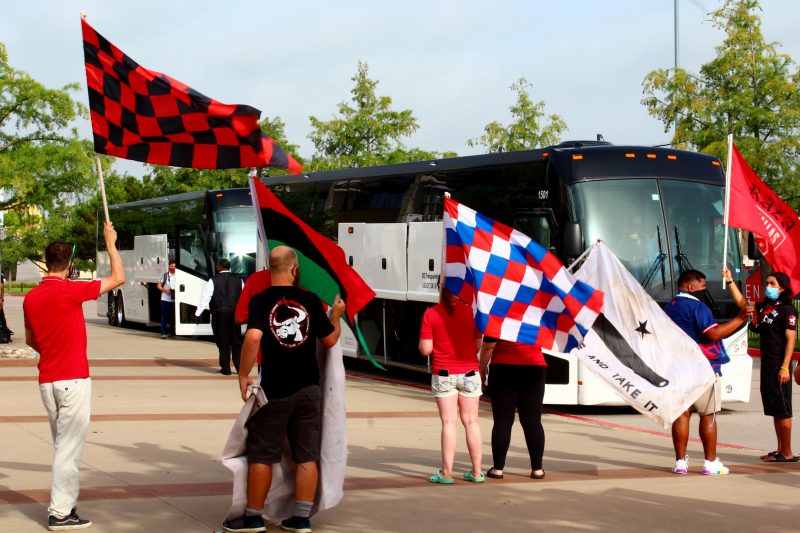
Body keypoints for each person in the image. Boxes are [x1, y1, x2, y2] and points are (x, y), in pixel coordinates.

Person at [222, 246, 344, 533]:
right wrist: (336, 315)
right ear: (294, 269)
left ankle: (253, 517)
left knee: (263, 454)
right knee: (306, 455)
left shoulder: (260, 299)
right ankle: (301, 518)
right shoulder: (311, 300)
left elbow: (252, 336)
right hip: (308, 389)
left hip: (274, 389)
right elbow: (330, 341)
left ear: (270, 268)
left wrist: (242, 374)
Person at [23, 223, 125, 530]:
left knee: (62, 445)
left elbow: (30, 340)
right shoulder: (70, 291)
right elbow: (118, 278)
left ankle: (67, 505)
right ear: (69, 265)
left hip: (47, 380)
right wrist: (111, 243)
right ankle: (60, 512)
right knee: (68, 450)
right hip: (73, 378)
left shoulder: (31, 298)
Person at [663, 268, 752, 475]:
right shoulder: (698, 307)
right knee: (708, 415)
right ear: (691, 287)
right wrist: (739, 319)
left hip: (677, 367)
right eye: (703, 286)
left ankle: (680, 463)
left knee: (682, 414)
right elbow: (713, 334)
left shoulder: (670, 307)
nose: (705, 290)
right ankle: (710, 462)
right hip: (703, 368)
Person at [418, 286, 484, 484]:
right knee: (471, 422)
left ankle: (446, 473)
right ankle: (476, 472)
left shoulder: (431, 314)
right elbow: (477, 346)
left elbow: (425, 349)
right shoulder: (471, 312)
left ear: (440, 288)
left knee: (449, 423)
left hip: (444, 373)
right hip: (470, 373)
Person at [479, 338, 547, 480]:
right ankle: (537, 469)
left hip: (503, 367)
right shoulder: (539, 315)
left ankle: (498, 469)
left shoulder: (498, 315)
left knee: (502, 420)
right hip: (534, 366)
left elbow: (488, 347)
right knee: (533, 421)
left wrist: (481, 370)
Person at [750, 271, 798, 462]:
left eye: (772, 283)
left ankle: (787, 452)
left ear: (782, 288)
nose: (767, 287)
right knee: (775, 407)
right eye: (767, 283)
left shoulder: (788, 310)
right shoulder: (765, 308)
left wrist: (785, 367)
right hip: (767, 363)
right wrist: (729, 281)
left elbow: (791, 339)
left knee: (783, 408)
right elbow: (742, 306)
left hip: (780, 364)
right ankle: (780, 449)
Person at [195, 259, 244, 375]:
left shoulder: (213, 280)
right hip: (234, 313)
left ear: (219, 267)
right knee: (236, 342)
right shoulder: (239, 280)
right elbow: (244, 296)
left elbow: (205, 297)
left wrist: (198, 313)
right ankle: (239, 368)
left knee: (222, 341)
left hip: (220, 314)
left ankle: (226, 368)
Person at [156, 261, 176, 339]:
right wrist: (166, 291)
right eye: (171, 266)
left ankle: (172, 332)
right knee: (165, 316)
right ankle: (163, 332)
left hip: (174, 300)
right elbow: (158, 285)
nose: (173, 268)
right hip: (165, 299)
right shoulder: (164, 275)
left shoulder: (179, 275)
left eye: (174, 266)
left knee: (172, 316)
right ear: (169, 266)